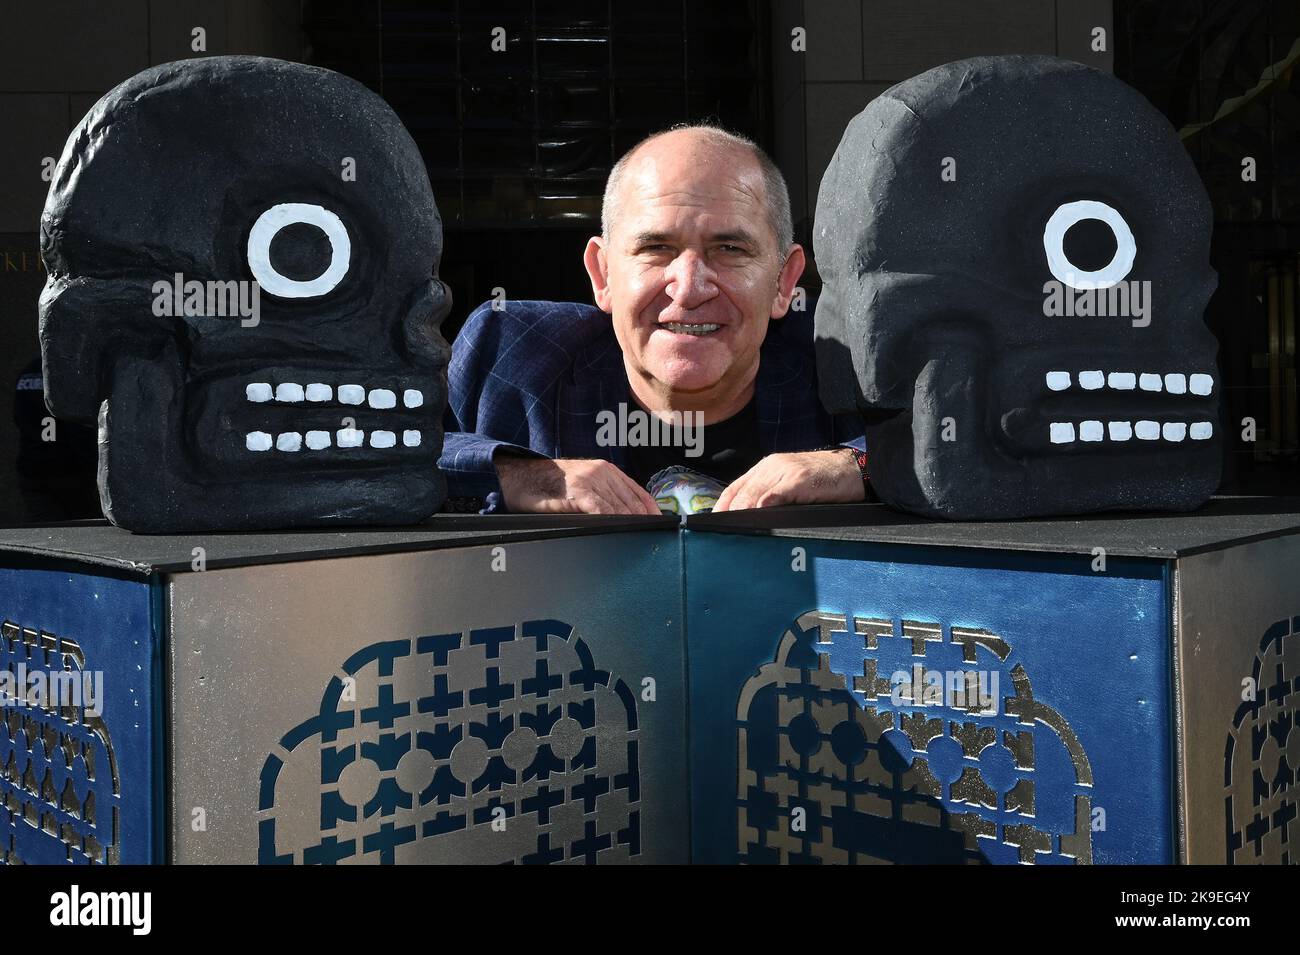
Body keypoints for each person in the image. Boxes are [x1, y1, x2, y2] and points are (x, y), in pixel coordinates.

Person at [439, 124, 869, 515]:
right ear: (602, 274)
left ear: (783, 282)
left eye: (730, 249)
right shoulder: (509, 350)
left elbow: (933, 447)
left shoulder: (846, 357)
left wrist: (859, 467)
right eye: (656, 248)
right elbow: (389, 461)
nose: (689, 288)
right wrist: (521, 475)